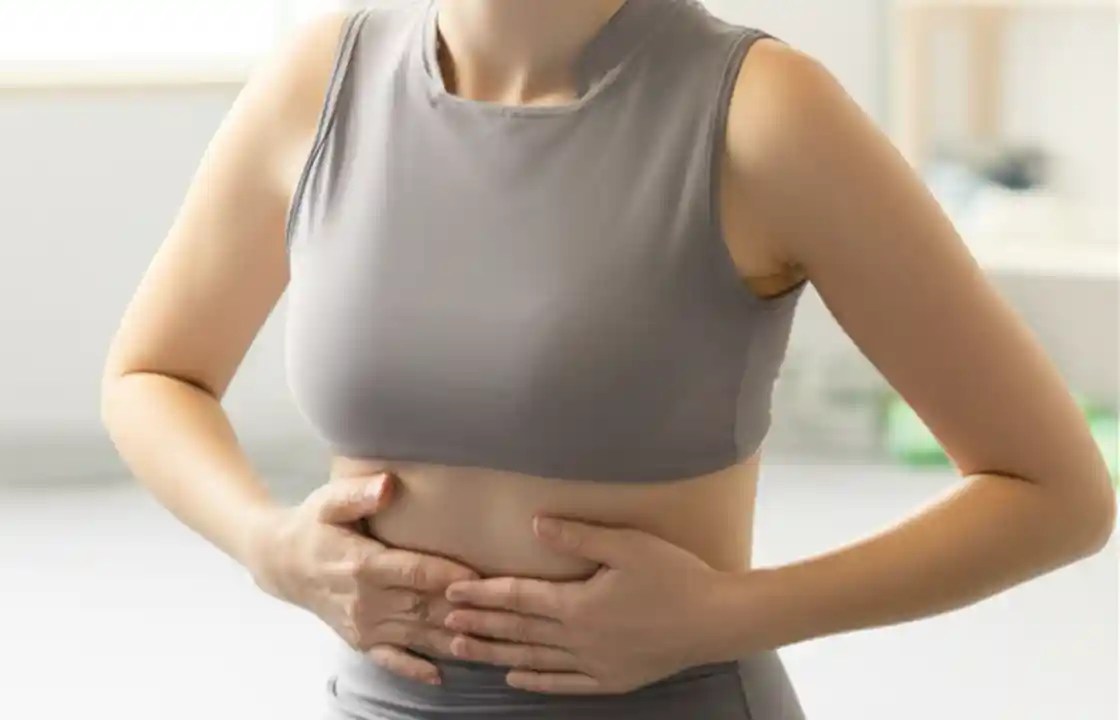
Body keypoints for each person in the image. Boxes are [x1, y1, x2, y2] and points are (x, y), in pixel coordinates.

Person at [100, 0, 1116, 717]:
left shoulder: (767, 111)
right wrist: (267, 547)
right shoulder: (319, 81)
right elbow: (152, 375)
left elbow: (1055, 492)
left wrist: (727, 614)